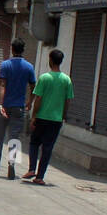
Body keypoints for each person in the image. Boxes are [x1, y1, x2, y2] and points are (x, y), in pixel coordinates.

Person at [0, 39, 36, 179]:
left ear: (12, 49)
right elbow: (34, 87)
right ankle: (12, 165)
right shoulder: (29, 67)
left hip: (6, 106)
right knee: (14, 138)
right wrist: (29, 102)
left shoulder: (5, 65)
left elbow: (2, 85)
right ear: (23, 50)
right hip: (19, 107)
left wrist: (1, 104)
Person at [24, 48, 73, 185]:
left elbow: (38, 98)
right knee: (47, 148)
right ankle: (40, 177)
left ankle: (32, 168)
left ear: (51, 60)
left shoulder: (44, 78)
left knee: (34, 143)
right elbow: (68, 100)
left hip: (42, 117)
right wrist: (63, 116)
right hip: (56, 120)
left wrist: (34, 116)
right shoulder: (66, 80)